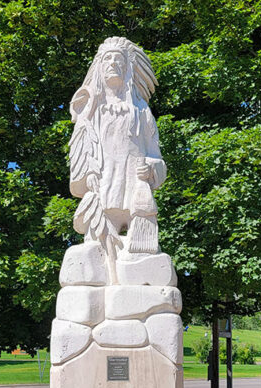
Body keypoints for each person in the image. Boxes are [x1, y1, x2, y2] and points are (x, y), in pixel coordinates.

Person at [68, 37, 166, 281]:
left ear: (128, 67)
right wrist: (88, 174)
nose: (112, 63)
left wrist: (150, 169)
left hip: (136, 198)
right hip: (103, 196)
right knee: (96, 262)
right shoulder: (91, 111)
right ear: (99, 66)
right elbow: (80, 149)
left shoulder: (141, 111)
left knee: (142, 261)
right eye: (107, 58)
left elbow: (156, 157)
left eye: (118, 58)